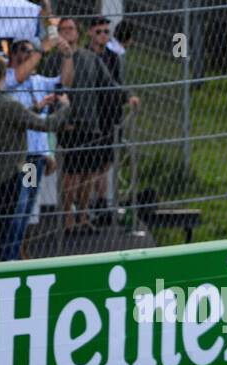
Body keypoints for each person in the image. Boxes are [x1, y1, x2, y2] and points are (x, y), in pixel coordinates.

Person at [41, 17, 130, 235]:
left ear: (78, 32)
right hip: (68, 124)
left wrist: (128, 96)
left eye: (71, 29)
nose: (68, 33)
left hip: (91, 124)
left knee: (88, 174)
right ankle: (68, 220)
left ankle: (83, 216)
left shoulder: (91, 58)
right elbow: (48, 91)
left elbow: (110, 84)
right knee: (70, 174)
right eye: (63, 30)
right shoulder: (54, 61)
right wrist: (58, 120)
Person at [0, 52, 69, 262]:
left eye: (30, 52)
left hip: (33, 158)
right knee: (19, 207)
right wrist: (64, 109)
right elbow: (19, 116)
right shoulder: (12, 86)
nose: (26, 55)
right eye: (22, 51)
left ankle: (17, 250)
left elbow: (20, 117)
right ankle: (8, 255)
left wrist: (38, 108)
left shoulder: (39, 81)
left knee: (27, 205)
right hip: (19, 162)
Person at [86, 16, 137, 226]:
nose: (104, 36)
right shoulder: (84, 56)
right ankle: (85, 206)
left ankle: (101, 202)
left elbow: (116, 85)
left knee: (105, 162)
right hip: (90, 117)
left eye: (107, 32)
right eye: (99, 32)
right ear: (90, 33)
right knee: (88, 164)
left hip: (110, 117)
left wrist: (126, 97)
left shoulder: (112, 57)